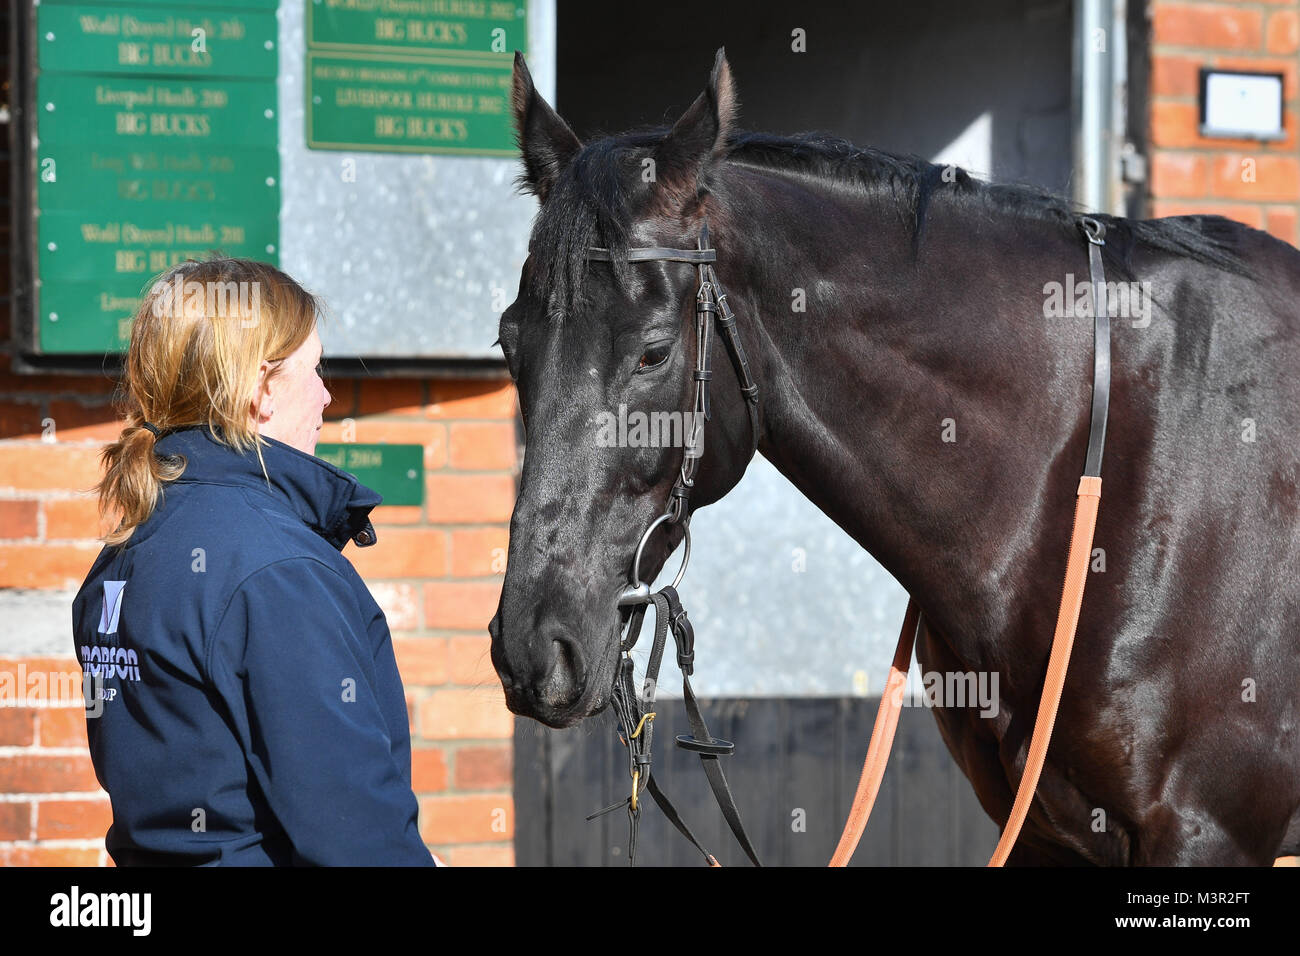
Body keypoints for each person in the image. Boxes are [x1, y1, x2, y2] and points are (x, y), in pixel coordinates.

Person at [72, 257, 436, 866]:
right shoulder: (277, 571)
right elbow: (355, 834)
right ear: (260, 389)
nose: (326, 396)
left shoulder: (129, 549)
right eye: (314, 370)